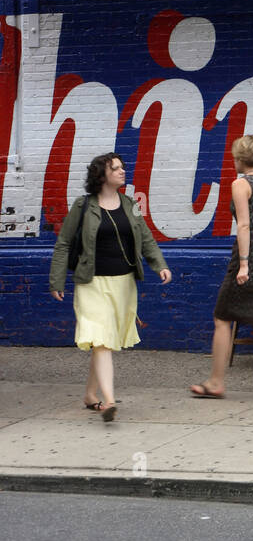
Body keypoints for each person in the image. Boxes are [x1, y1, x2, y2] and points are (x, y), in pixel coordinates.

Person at [49, 153, 172, 422]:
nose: (122, 171)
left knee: (104, 342)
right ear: (101, 176)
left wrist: (159, 264)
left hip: (123, 283)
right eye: (115, 168)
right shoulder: (83, 206)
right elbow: (64, 244)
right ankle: (110, 401)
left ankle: (90, 395)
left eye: (122, 167)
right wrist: (56, 280)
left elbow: (146, 237)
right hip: (91, 283)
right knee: (101, 339)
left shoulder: (130, 204)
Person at [191, 135, 253, 402]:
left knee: (222, 317)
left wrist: (244, 263)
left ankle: (215, 381)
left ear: (241, 158)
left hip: (249, 256)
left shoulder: (240, 183)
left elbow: (243, 225)